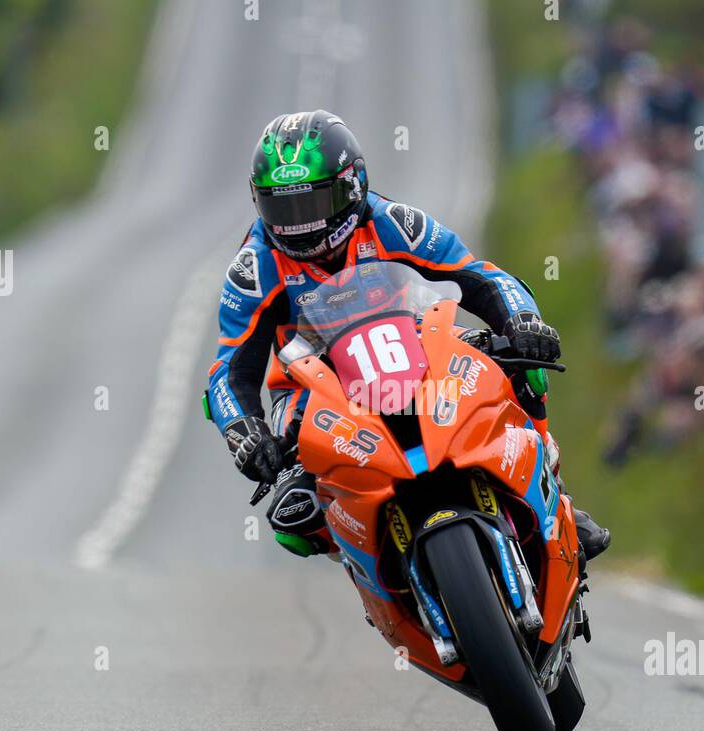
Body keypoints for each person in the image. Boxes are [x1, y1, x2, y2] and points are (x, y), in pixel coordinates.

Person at [205, 110, 611, 561]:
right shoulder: (253, 267)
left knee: (518, 364)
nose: (299, 224)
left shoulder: (393, 221)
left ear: (353, 185)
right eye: (283, 208)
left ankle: (557, 496)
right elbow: (228, 371)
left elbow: (481, 277)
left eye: (312, 205)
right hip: (312, 389)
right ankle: (373, 562)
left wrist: (521, 321)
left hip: (413, 347)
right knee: (295, 519)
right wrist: (242, 429)